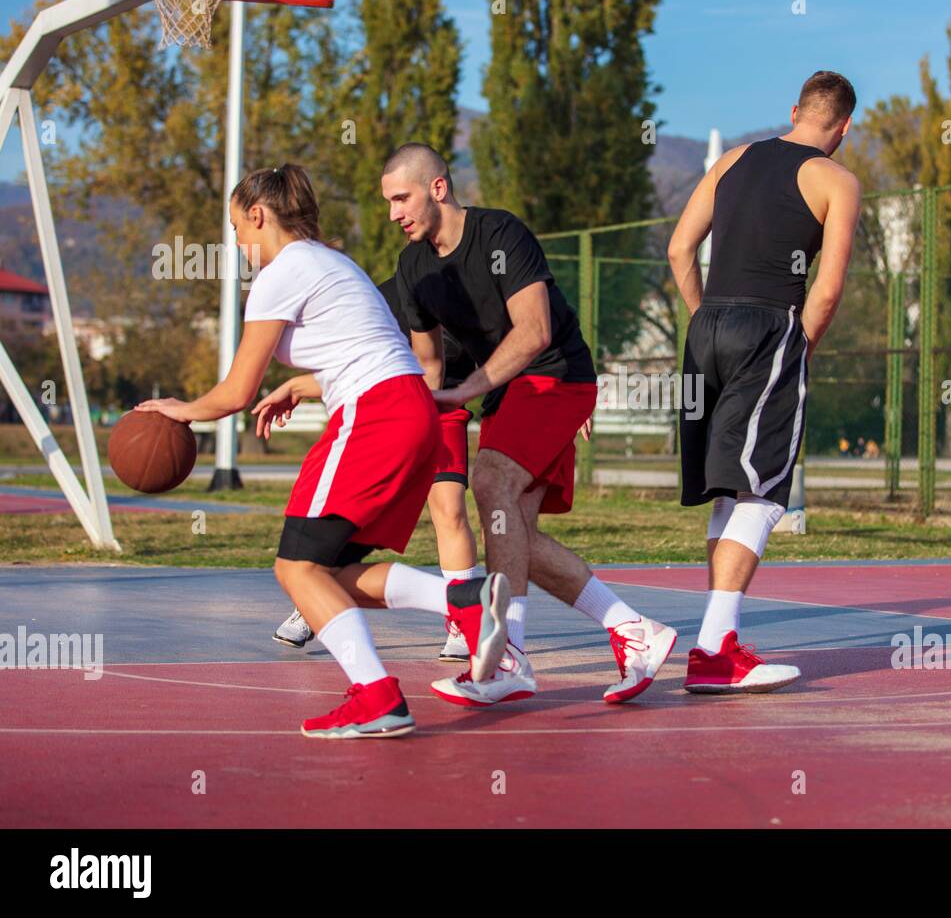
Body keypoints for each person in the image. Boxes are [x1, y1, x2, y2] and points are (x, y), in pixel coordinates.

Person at [138, 164, 510, 738]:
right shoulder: (332, 261)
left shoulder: (282, 272)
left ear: (258, 216)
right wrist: (301, 385)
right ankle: (464, 597)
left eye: (238, 228)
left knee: (294, 567)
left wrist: (180, 409)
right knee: (331, 573)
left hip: (375, 416)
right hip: (409, 410)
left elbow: (236, 391)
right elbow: (360, 348)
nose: (238, 242)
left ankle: (378, 695)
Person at [381, 143, 677, 707]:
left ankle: (508, 656)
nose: (394, 212)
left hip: (556, 375)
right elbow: (428, 365)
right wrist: (416, 408)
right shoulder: (413, 267)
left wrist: (469, 389)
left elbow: (536, 330)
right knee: (510, 528)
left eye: (402, 197)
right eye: (388, 202)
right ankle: (632, 629)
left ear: (438, 188)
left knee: (490, 483)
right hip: (506, 393)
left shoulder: (501, 235)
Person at [667, 70, 861, 693]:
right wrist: (798, 346)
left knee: (730, 486)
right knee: (763, 490)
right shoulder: (837, 180)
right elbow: (826, 290)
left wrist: (706, 320)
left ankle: (713, 646)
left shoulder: (732, 159)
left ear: (795, 109)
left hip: (710, 323)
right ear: (845, 127)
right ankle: (715, 652)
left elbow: (678, 250)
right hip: (771, 325)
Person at [273, 288, 481, 664]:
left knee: (449, 510)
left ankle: (463, 616)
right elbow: (359, 362)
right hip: (386, 408)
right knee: (348, 512)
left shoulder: (478, 283)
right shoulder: (389, 289)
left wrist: (574, 395)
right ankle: (315, 592)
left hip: (443, 406)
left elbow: (522, 342)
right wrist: (299, 385)